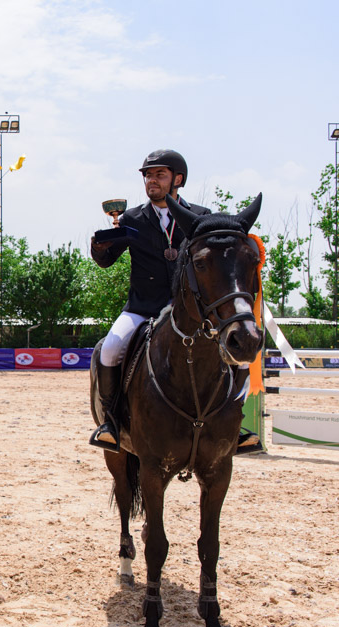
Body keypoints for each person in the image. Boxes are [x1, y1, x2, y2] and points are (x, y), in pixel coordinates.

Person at [89, 149, 262, 455]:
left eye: (159, 175)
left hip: (192, 313)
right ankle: (111, 424)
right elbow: (106, 260)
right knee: (110, 348)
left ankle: (235, 426)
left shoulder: (201, 218)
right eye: (147, 175)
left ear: (177, 179)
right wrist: (99, 247)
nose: (151, 180)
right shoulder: (132, 218)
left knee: (238, 354)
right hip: (143, 308)